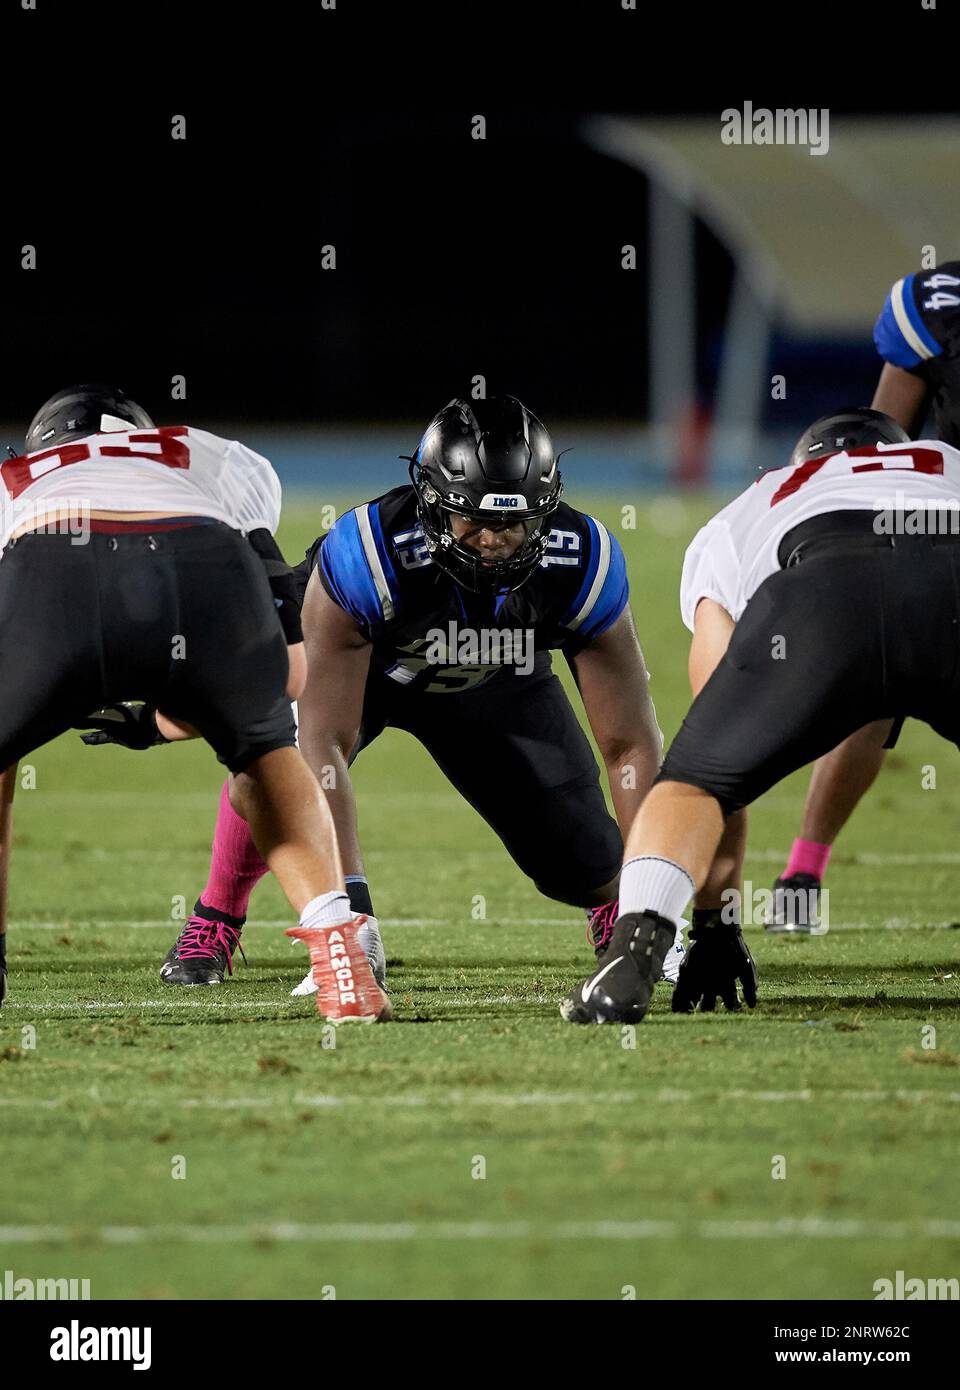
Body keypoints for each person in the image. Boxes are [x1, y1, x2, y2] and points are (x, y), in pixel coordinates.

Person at [145, 394, 682, 993]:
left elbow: (630, 747)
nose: (494, 541)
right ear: (431, 505)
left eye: (514, 522)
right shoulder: (370, 554)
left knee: (583, 860)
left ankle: (616, 910)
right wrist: (351, 913)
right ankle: (216, 917)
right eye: (474, 519)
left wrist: (651, 908)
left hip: (489, 674)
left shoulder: (582, 560)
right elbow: (321, 739)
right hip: (366, 666)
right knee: (271, 760)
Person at [0, 384, 388, 1024]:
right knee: (267, 753)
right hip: (202, 565)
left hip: (51, 566)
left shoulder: (18, 477)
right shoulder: (212, 454)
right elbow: (289, 664)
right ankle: (340, 959)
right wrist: (220, 716)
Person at [563, 406, 960, 1023]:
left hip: (825, 579)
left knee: (696, 784)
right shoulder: (949, 464)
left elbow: (719, 764)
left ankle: (630, 960)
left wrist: (717, 926)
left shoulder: (760, 501)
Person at [771, 262, 960, 930]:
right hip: (937, 528)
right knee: (873, 686)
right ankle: (803, 871)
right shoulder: (937, 304)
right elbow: (882, 441)